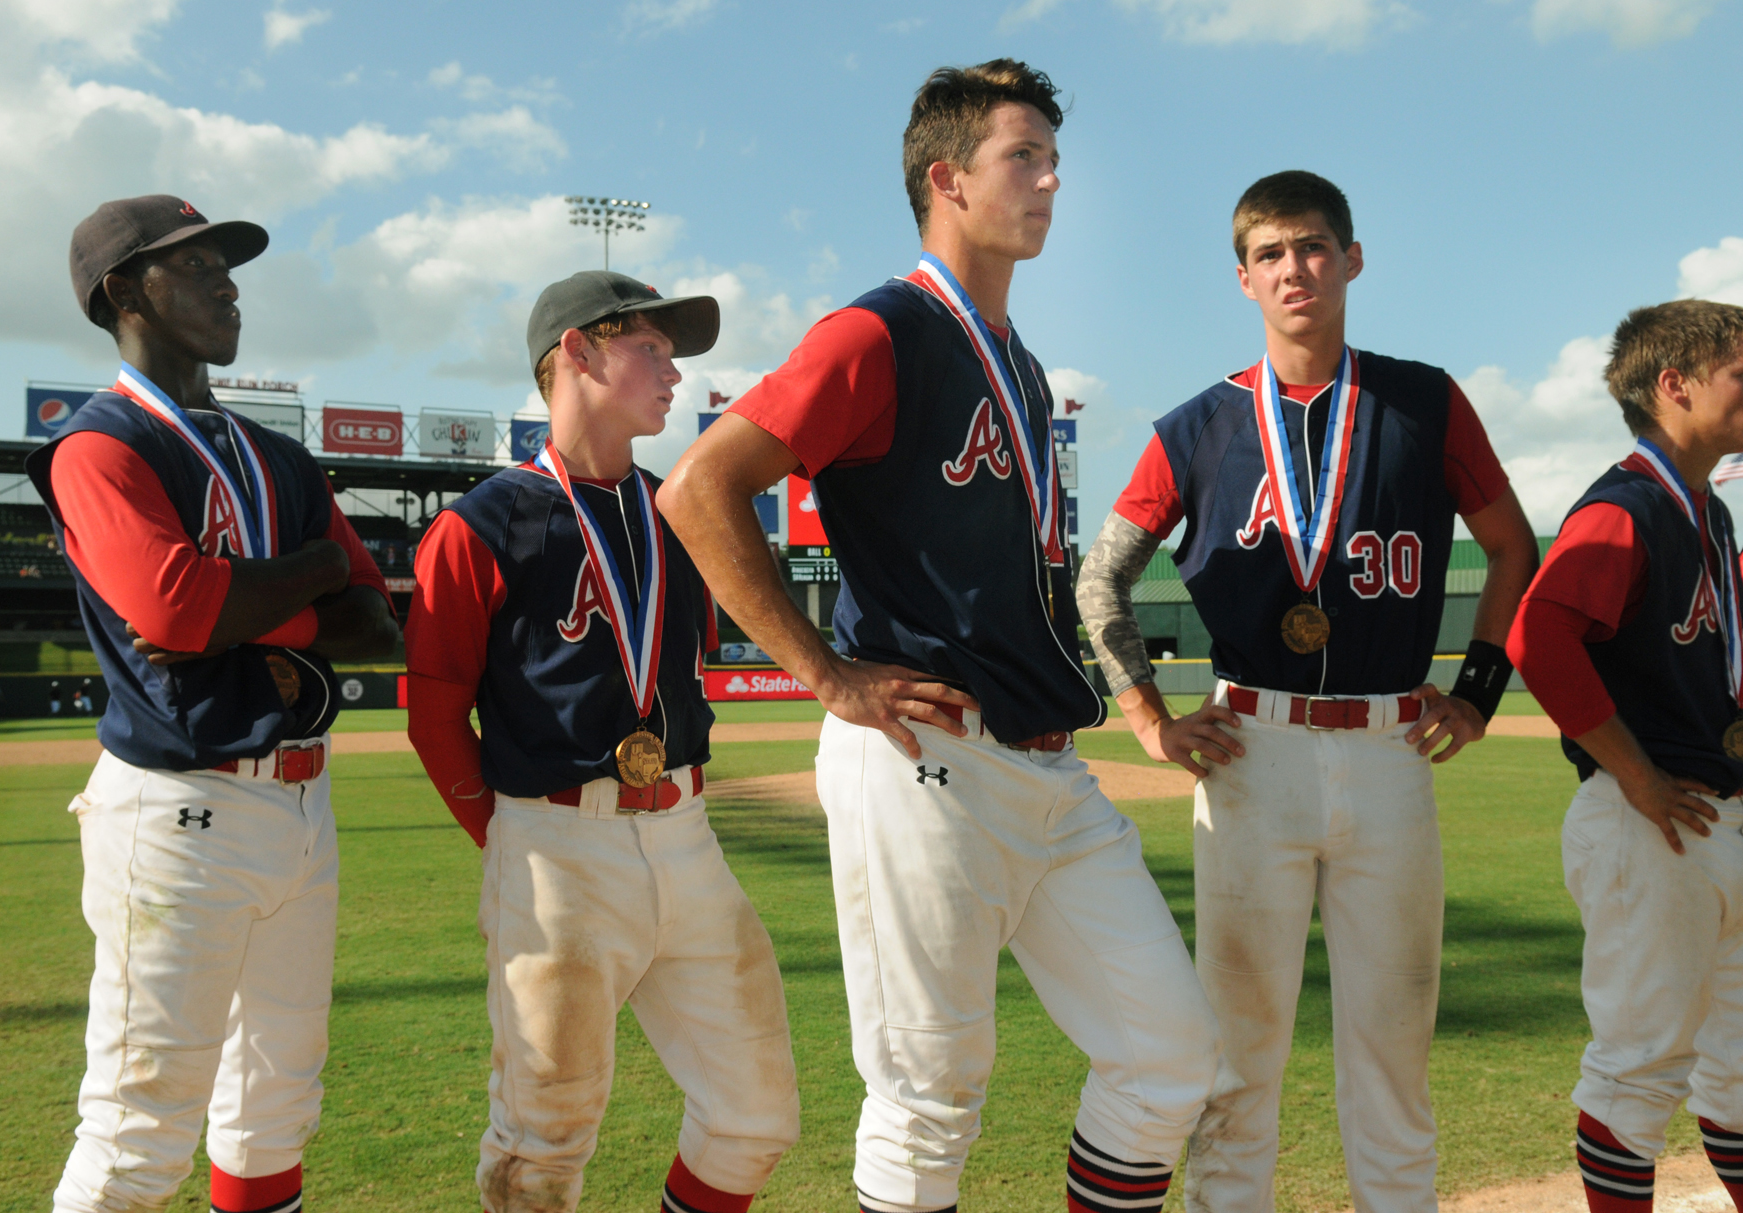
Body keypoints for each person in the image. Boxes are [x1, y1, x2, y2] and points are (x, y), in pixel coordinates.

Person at [659, 60, 1222, 1213]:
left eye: (1053, 159)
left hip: (1051, 773)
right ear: (946, 179)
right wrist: (822, 671)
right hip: (928, 757)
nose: (1052, 180)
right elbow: (701, 490)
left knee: (1170, 1062)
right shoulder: (881, 330)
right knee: (929, 1097)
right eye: (1024, 157)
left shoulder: (1012, 358)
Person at [1076, 170, 1539, 1213]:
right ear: (1243, 278)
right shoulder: (1198, 425)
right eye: (1272, 253)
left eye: (1315, 247)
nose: (1296, 269)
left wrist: (1477, 690)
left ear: (1353, 260)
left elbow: (1511, 547)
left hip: (1389, 751)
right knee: (1240, 1057)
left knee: (1393, 1054)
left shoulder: (1425, 402)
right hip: (1251, 753)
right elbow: (1100, 569)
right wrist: (1147, 714)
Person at [27, 194, 399, 1213]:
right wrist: (314, 566)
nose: (227, 284)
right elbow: (175, 608)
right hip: (178, 812)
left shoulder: (275, 454)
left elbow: (377, 626)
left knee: (274, 1102)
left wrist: (256, 599)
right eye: (192, 267)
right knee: (140, 1126)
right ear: (121, 293)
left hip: (301, 806)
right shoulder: (97, 446)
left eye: (226, 266)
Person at [403, 271, 800, 1213]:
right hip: (558, 843)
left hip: (690, 836)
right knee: (545, 1142)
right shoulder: (478, 524)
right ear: (577, 350)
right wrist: (507, 838)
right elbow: (432, 713)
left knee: (755, 1116)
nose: (675, 374)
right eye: (652, 348)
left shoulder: (683, 513)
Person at [1508, 300, 1743, 1213]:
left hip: (1707, 812)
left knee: (1735, 1067)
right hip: (1649, 816)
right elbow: (1539, 634)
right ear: (1674, 386)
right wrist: (1636, 772)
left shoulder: (1706, 514)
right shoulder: (1627, 505)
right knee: (1640, 1071)